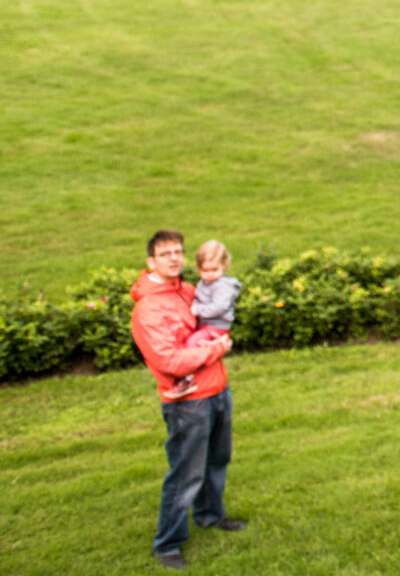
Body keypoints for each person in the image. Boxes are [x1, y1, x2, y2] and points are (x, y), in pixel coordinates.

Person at [130, 229, 244, 570]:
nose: (175, 258)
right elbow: (169, 361)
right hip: (188, 402)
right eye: (166, 254)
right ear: (151, 261)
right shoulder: (149, 309)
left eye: (178, 251)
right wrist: (216, 348)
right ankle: (168, 544)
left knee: (217, 460)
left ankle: (210, 515)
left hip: (217, 390)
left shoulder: (188, 290)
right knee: (186, 473)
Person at [167, 240, 242, 400]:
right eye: (204, 271)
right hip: (206, 324)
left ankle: (187, 379)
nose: (209, 275)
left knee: (192, 343)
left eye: (214, 270)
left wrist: (197, 310)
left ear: (224, 265)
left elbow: (219, 307)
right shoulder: (206, 282)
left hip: (216, 326)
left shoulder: (223, 286)